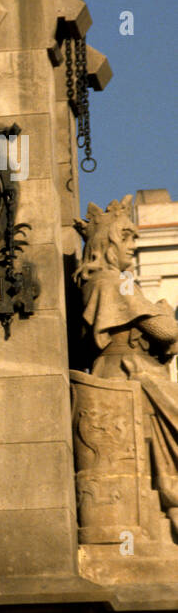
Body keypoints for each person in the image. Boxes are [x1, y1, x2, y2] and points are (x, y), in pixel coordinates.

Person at [74, 197, 178, 538]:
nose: (133, 245)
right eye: (126, 238)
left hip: (128, 372)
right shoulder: (113, 282)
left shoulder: (105, 281)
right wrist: (163, 311)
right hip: (130, 375)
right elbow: (165, 332)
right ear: (107, 243)